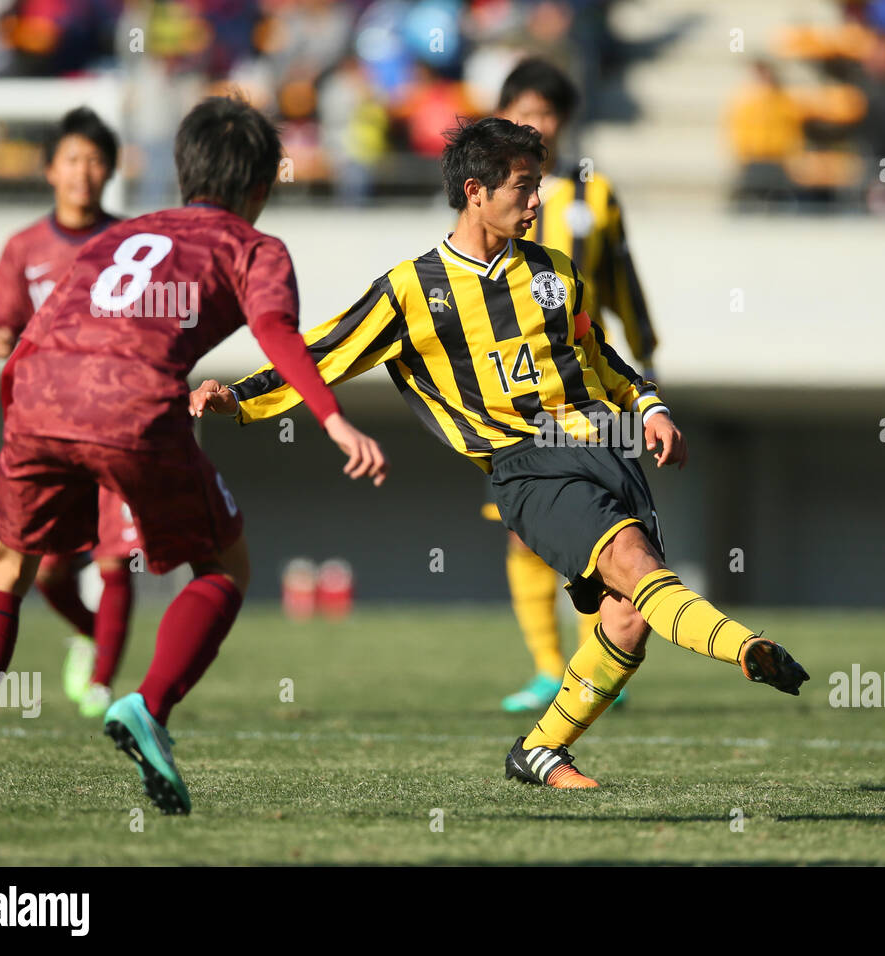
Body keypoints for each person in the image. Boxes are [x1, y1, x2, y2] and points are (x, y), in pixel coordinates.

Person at [191, 117, 807, 790]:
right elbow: (325, 351)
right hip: (527, 468)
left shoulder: (555, 274)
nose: (537, 201)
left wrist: (650, 409)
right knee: (633, 563)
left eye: (538, 185)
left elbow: (600, 360)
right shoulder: (412, 289)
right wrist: (242, 398)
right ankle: (743, 646)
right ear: (475, 191)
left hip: (611, 453)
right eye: (523, 187)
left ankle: (540, 752)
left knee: (628, 620)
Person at [0, 95, 388, 815]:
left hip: (36, 395)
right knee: (224, 563)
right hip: (133, 406)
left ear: (185, 172)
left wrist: (27, 412)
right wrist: (332, 418)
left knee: (6, 566)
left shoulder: (119, 234)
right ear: (262, 187)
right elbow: (275, 331)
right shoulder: (254, 245)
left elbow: (35, 333)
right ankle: (147, 705)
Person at [489, 57, 660, 713]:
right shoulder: (491, 198)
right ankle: (544, 669)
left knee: (600, 528)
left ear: (563, 122)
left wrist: (647, 376)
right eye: (523, 112)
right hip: (514, 395)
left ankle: (597, 669)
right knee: (525, 531)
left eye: (547, 113)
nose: (536, 123)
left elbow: (624, 286)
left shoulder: (594, 194)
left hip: (586, 392)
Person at [0, 106, 135, 717]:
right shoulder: (24, 247)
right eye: (72, 158)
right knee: (45, 573)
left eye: (96, 160)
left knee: (119, 555)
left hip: (118, 422)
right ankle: (92, 632)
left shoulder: (130, 244)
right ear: (50, 170)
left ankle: (101, 684)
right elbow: (2, 324)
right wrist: (1, 338)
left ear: (109, 171)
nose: (84, 172)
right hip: (47, 428)